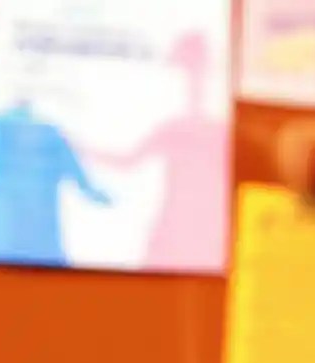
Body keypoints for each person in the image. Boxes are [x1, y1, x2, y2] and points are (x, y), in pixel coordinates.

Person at [77, 32, 228, 272]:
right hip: (176, 233)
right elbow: (126, 161)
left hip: (205, 237)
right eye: (186, 70)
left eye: (194, 69)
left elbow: (125, 161)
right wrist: (81, 148)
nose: (191, 80)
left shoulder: (218, 130)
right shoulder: (173, 127)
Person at [0, 101, 111, 266]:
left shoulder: (49, 133)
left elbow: (82, 180)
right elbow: (83, 182)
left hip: (27, 235)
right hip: (12, 231)